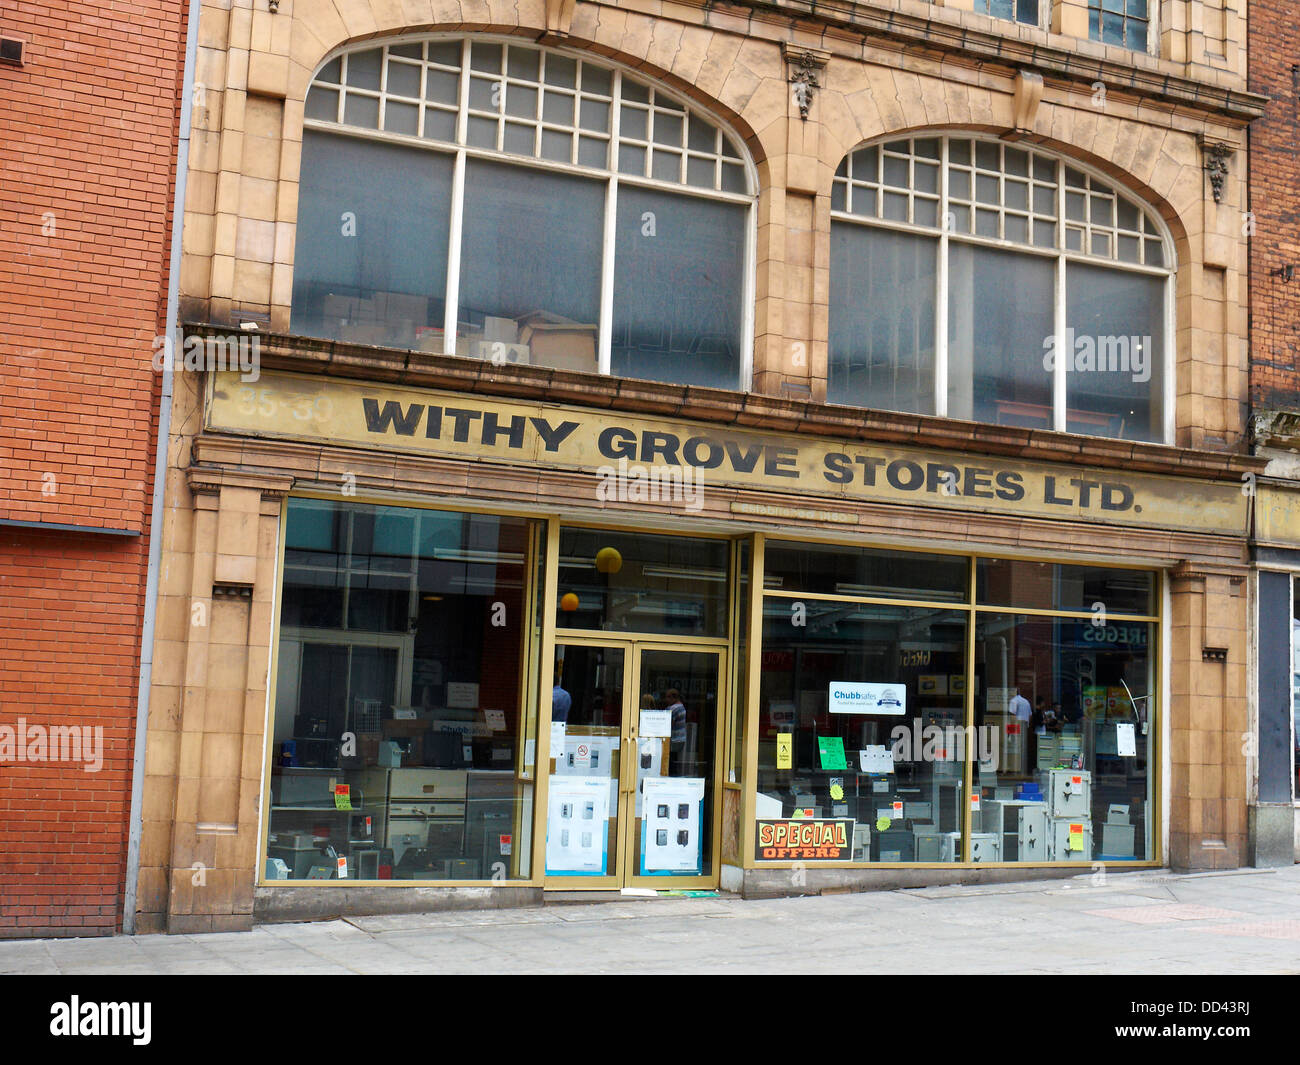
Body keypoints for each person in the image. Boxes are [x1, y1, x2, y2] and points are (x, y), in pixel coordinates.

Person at [665, 688, 687, 775]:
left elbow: (667, 724)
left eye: (667, 697)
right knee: (675, 760)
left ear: (673, 698)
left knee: (670, 762)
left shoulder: (672, 709)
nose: (665, 700)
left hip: (673, 739)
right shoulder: (682, 707)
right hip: (681, 739)